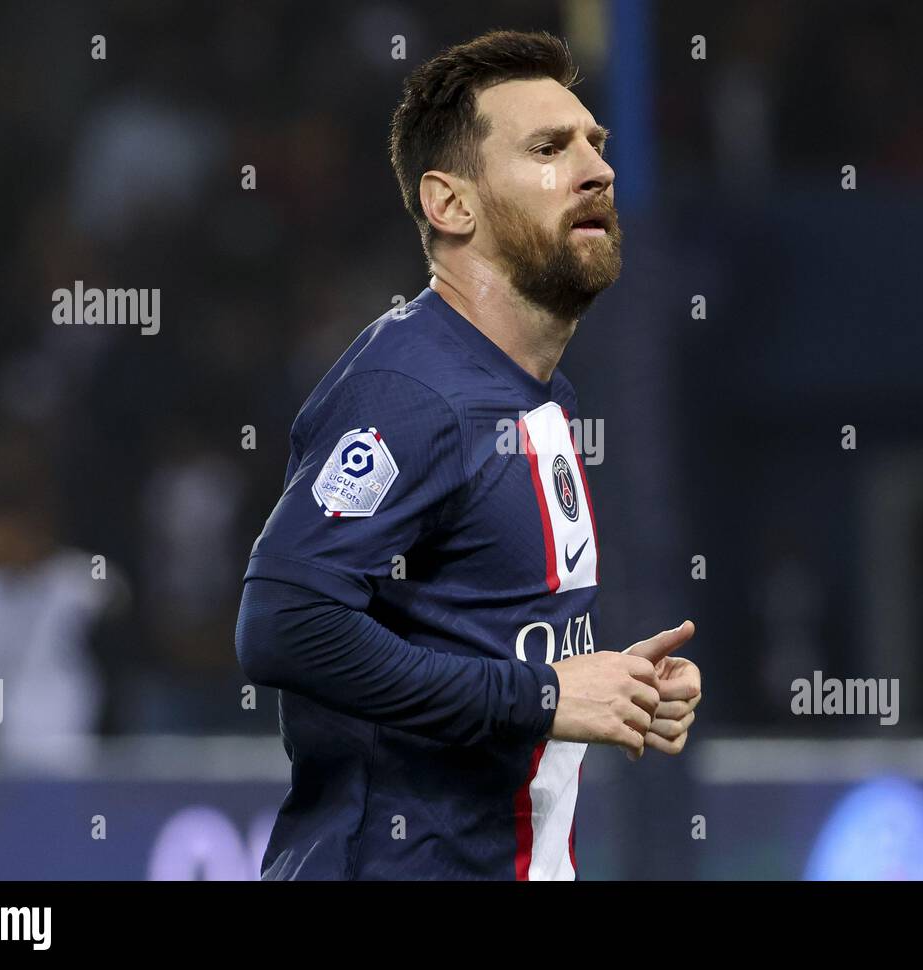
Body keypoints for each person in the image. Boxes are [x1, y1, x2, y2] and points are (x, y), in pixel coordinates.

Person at [236, 29, 701, 881]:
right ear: (451, 205)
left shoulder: (538, 397)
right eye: (548, 149)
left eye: (595, 143)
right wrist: (548, 696)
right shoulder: (411, 391)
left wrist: (614, 689)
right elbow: (284, 624)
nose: (597, 171)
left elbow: (489, 645)